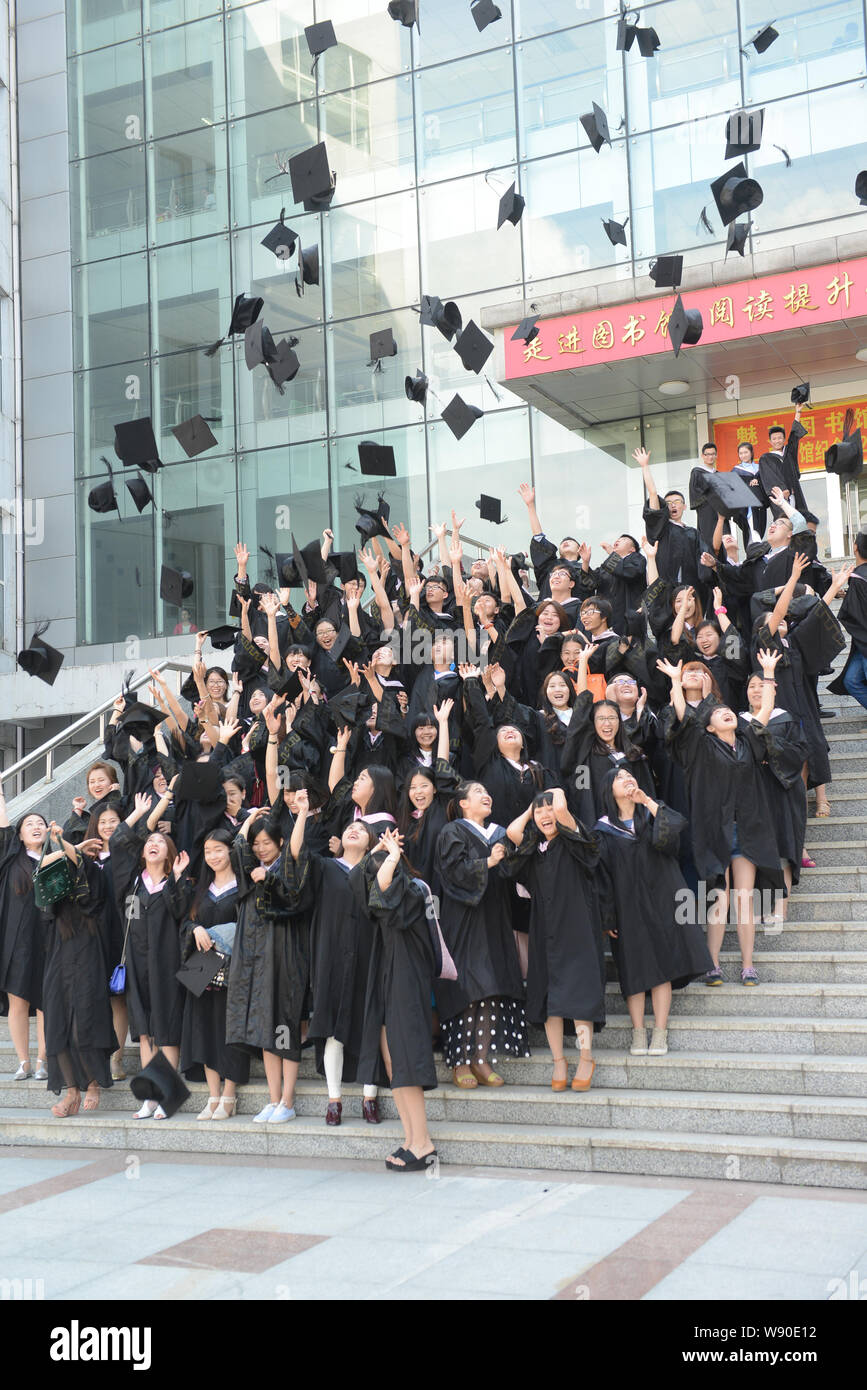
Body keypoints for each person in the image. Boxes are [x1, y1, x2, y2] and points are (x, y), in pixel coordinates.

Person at [658, 651, 784, 986]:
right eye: (719, 713)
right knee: (719, 897)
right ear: (710, 726)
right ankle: (712, 965)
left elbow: (764, 711)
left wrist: (768, 674)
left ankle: (747, 965)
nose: (726, 713)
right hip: (714, 831)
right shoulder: (700, 747)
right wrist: (676, 682)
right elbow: (684, 718)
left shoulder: (747, 743)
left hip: (747, 830)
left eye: (729, 711)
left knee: (744, 898)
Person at [594, 769, 712, 1057]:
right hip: (627, 907)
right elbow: (602, 878)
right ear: (609, 790)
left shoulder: (651, 813)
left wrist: (647, 801)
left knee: (663, 966)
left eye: (629, 774)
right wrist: (608, 917)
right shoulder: (603, 830)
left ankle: (660, 1031)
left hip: (662, 900)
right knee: (633, 969)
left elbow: (676, 830)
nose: (627, 778)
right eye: (619, 777)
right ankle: (638, 1032)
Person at [286, 795, 380, 1126]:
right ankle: (334, 1100)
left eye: (362, 829)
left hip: (369, 954)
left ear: (370, 842)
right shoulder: (326, 867)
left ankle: (370, 1098)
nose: (355, 830)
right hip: (331, 957)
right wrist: (301, 813)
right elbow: (296, 852)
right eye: (351, 827)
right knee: (332, 1031)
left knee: (369, 1024)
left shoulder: (375, 870)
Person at [504, 789, 603, 1091]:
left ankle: (586, 1057)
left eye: (550, 809)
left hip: (576, 931)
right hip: (544, 933)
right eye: (540, 812)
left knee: (580, 998)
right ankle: (559, 1061)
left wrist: (553, 795)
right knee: (548, 1000)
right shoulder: (535, 850)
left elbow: (561, 812)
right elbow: (512, 831)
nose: (546, 815)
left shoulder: (575, 841)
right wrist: (533, 808)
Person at [434, 782, 529, 1089]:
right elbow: (451, 872)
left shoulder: (499, 833)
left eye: (487, 791)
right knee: (467, 987)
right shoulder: (452, 831)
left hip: (495, 918)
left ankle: (481, 1058)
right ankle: (460, 1060)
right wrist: (488, 862)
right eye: (477, 792)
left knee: (492, 987)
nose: (485, 794)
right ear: (463, 803)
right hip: (464, 919)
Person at [108, 793, 192, 1116]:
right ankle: (151, 1097)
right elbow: (117, 844)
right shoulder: (131, 884)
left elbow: (181, 911)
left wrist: (178, 878)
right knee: (144, 1032)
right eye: (149, 841)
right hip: (137, 964)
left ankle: (167, 1095)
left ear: (169, 853)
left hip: (167, 966)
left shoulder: (176, 883)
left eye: (160, 841)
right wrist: (138, 814)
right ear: (143, 852)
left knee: (166, 1032)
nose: (153, 843)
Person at [361, 827, 438, 1170]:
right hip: (389, 979)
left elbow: (384, 892)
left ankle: (423, 1143)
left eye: (386, 867)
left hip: (408, 980)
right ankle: (410, 1139)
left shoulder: (412, 891)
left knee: (407, 1060)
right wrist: (377, 852)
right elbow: (363, 886)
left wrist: (393, 857)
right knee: (395, 1062)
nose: (377, 876)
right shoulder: (383, 893)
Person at [226, 809, 302, 1124]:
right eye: (256, 843)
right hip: (256, 957)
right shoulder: (250, 870)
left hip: (285, 956)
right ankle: (273, 1099)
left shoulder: (290, 868)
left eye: (266, 843)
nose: (260, 849)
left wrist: (268, 879)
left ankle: (288, 1100)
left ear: (280, 842)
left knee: (284, 1026)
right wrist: (248, 820)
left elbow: (293, 900)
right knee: (265, 1027)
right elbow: (236, 849)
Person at [40, 822, 116, 1117]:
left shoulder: (95, 875)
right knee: (57, 1024)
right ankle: (72, 1092)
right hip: (59, 957)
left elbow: (85, 873)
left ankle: (93, 1083)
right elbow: (40, 867)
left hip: (87, 955)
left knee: (84, 1021)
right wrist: (63, 848)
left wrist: (69, 847)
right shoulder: (55, 883)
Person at [179, 830, 250, 1119]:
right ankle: (213, 1095)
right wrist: (195, 928)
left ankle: (229, 1094)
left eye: (218, 850)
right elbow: (185, 922)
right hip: (204, 968)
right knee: (205, 1028)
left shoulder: (243, 887)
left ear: (231, 851)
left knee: (229, 1030)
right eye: (208, 851)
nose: (213, 856)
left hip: (234, 969)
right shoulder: (201, 889)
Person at [0, 787, 49, 1081]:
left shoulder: (55, 859)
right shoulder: (11, 860)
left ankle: (43, 1059)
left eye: (40, 823)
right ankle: (24, 1061)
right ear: (19, 836)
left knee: (45, 1001)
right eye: (29, 824)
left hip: (48, 939)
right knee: (18, 1000)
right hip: (16, 942)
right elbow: (3, 826)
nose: (35, 827)